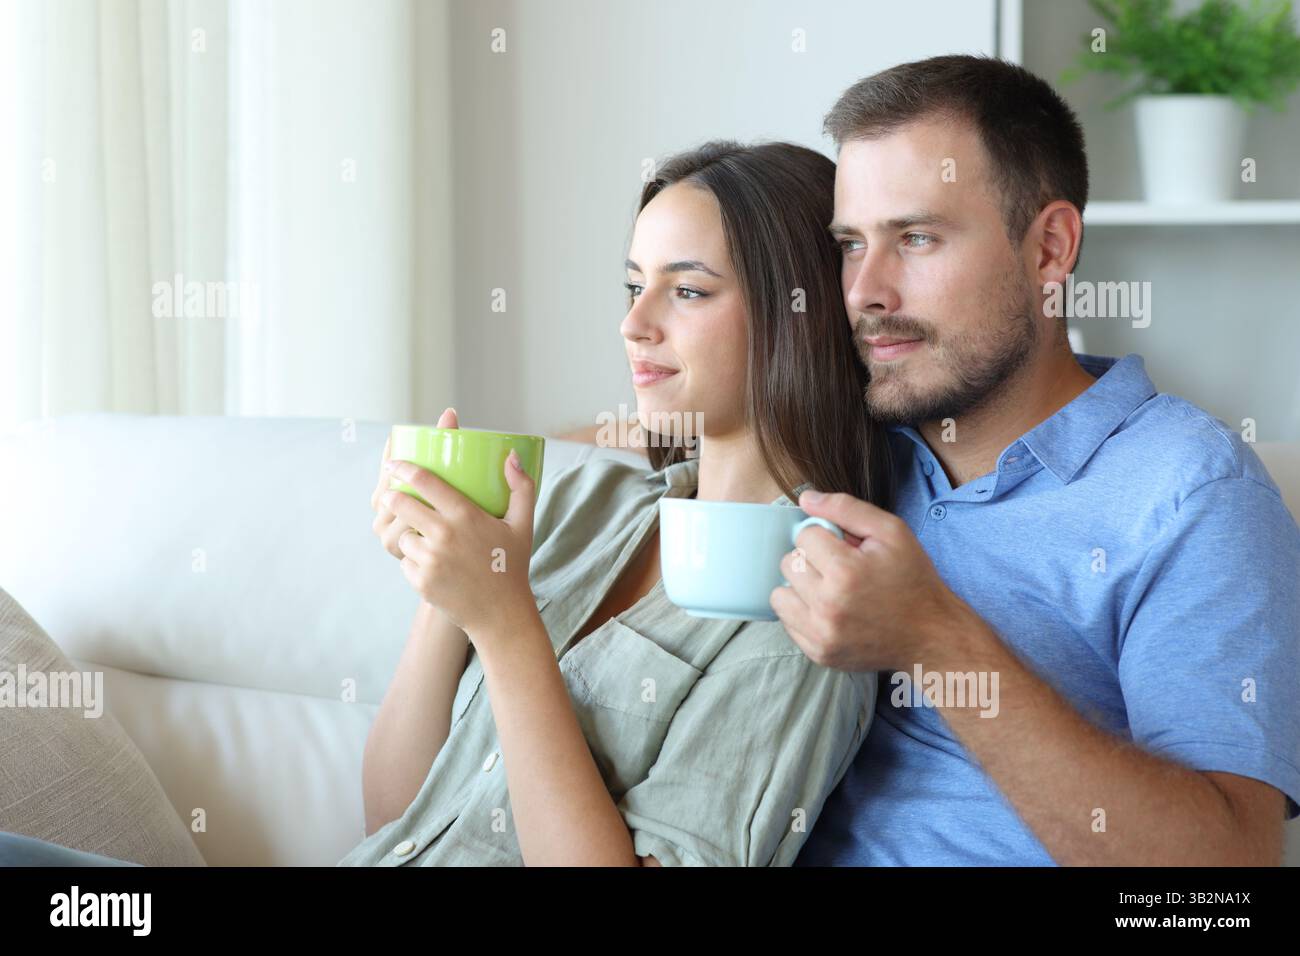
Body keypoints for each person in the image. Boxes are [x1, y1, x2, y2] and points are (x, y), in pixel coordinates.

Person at [765, 55, 1300, 866]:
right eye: (849, 245)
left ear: (1050, 248)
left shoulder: (1191, 493)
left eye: (915, 237)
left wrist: (934, 640)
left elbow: (1222, 883)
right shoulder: (850, 439)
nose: (863, 292)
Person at [338, 140, 894, 866]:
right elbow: (397, 819)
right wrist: (447, 588)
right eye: (635, 287)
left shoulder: (809, 618)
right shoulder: (584, 502)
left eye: (687, 291)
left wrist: (505, 625)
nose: (634, 325)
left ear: (800, 315)